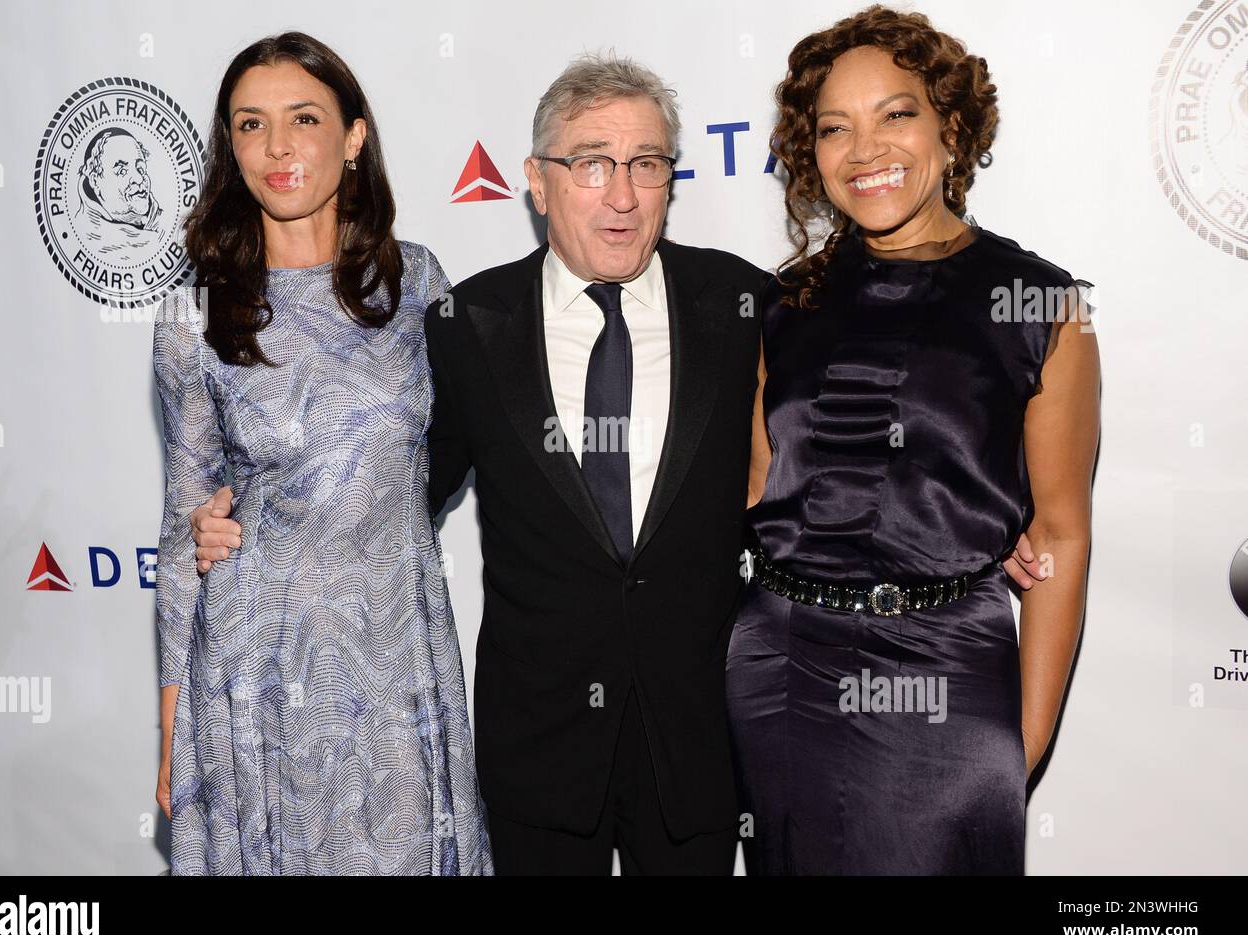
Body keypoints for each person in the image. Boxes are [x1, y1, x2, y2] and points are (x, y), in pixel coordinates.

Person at [190, 50, 1050, 876]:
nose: (623, 195)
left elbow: (848, 432)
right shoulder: (466, 320)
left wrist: (976, 526)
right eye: (591, 164)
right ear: (537, 179)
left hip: (704, 740)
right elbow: (391, 474)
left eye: (647, 164)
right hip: (537, 749)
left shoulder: (751, 303)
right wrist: (253, 517)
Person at [726, 5, 1100, 875]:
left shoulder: (1040, 303)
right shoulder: (785, 303)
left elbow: (1059, 536)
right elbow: (756, 490)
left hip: (946, 673)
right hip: (780, 669)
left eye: (896, 113)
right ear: (808, 152)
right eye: (833, 129)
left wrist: (1023, 735)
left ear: (951, 126)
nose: (866, 150)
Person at [153, 32, 491, 875]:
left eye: (304, 119)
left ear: (353, 137)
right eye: (250, 125)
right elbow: (181, 522)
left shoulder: (416, 284)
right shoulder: (194, 314)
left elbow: (466, 448)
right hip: (255, 661)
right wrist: (170, 730)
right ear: (230, 149)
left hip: (397, 650)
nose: (277, 148)